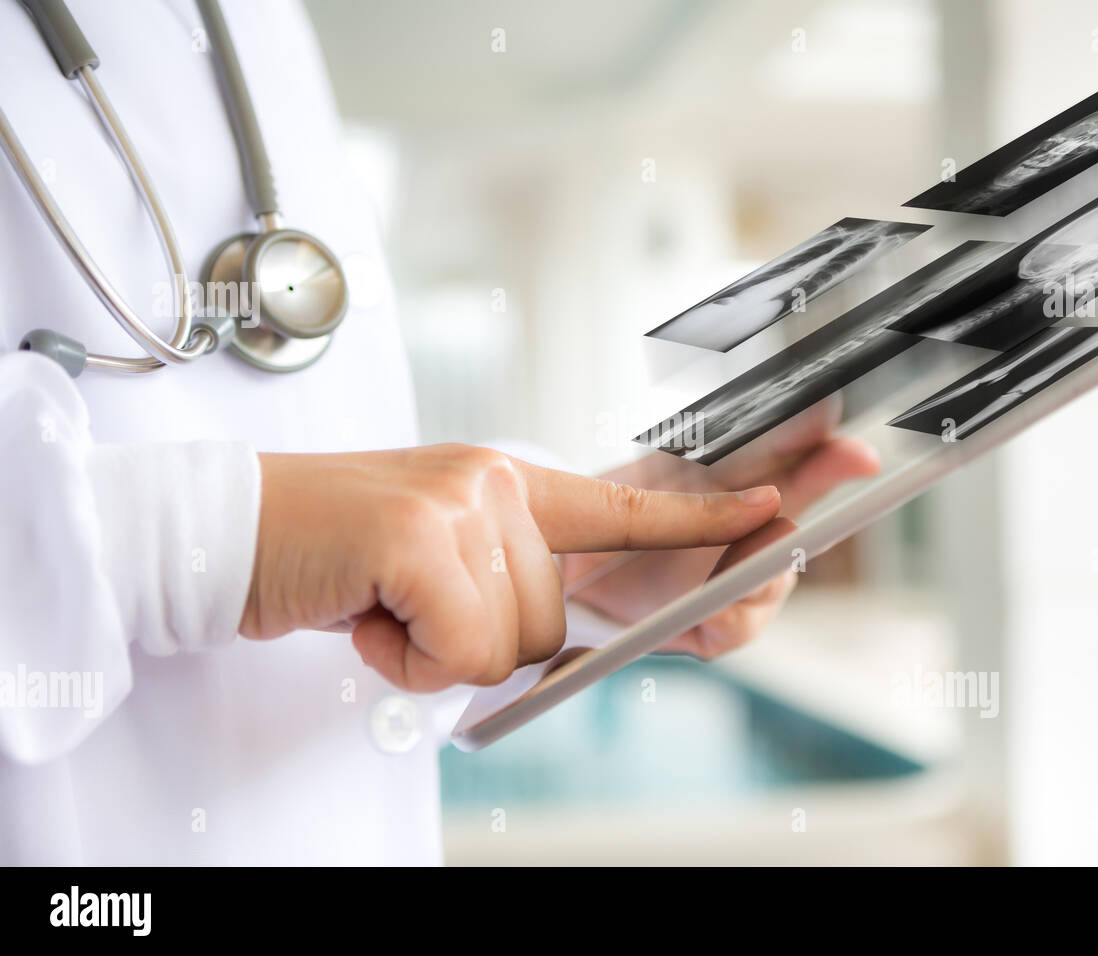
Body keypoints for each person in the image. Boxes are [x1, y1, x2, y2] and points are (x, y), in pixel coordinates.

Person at [0, 0, 876, 865]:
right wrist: (192, 541)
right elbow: (245, 538)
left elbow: (315, 590)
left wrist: (576, 573)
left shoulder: (257, 22)